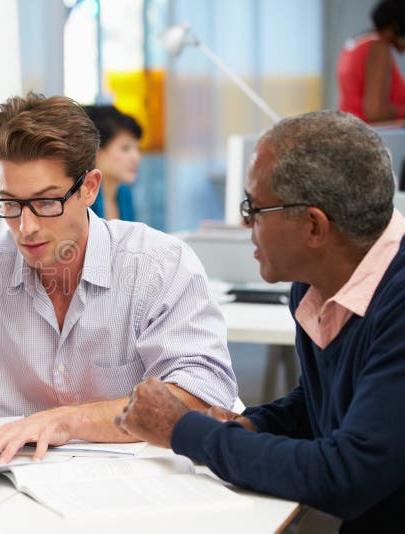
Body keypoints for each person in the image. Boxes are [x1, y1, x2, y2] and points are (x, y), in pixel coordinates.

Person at [0, 93, 237, 470]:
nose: (26, 227)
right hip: (20, 485)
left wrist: (69, 420)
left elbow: (204, 394)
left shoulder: (159, 264)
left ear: (89, 187)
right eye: (10, 203)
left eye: (47, 202)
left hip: (147, 484)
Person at [116, 110, 405, 533]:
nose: (244, 223)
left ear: (313, 226)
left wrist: (183, 430)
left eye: (254, 208)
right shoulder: (316, 283)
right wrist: (255, 424)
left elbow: (348, 475)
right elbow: (322, 404)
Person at [337, 0, 405, 123]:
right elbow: (375, 112)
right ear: (396, 26)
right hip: (368, 130)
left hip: (349, 126)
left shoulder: (356, 42)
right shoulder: (378, 48)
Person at [83, 105, 142, 221]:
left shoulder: (125, 194)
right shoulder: (80, 199)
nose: (136, 157)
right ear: (96, 151)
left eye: (138, 149)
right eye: (125, 148)